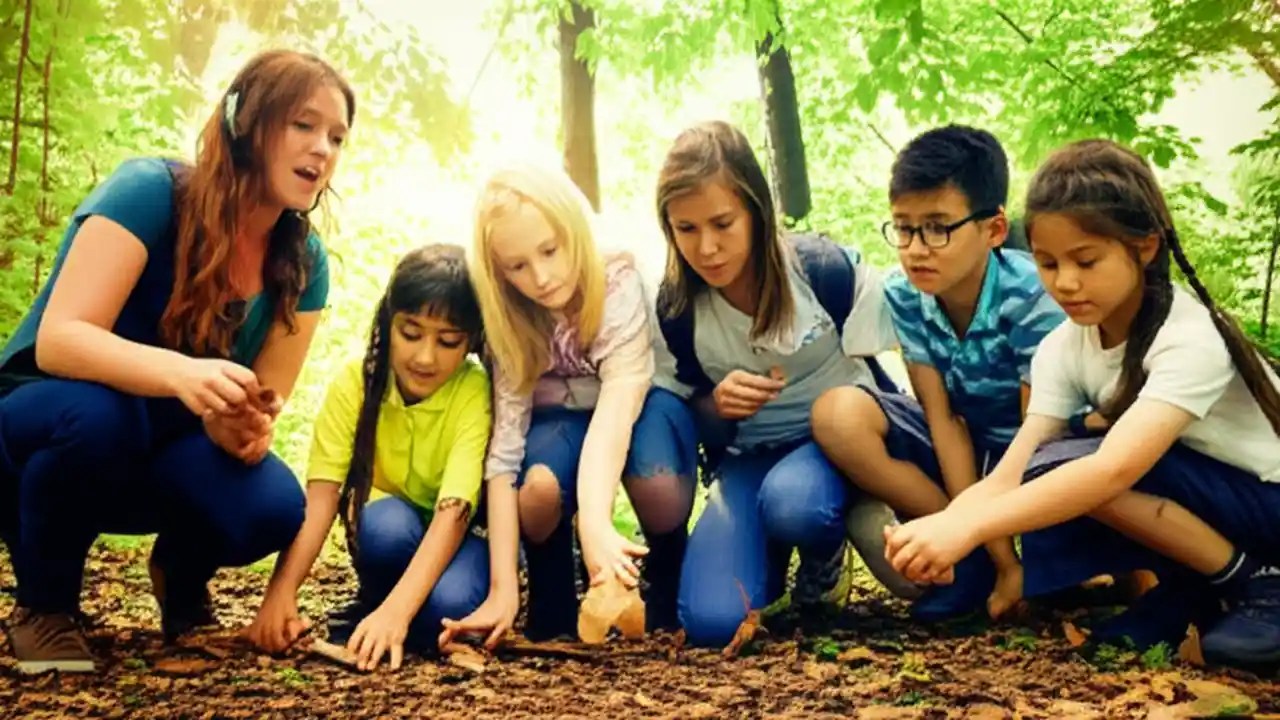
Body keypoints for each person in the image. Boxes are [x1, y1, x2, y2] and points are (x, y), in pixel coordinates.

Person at [0, 50, 353, 674]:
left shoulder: (303, 261)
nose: (322, 148)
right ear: (247, 121)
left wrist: (238, 426)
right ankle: (45, 604)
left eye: (336, 136)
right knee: (102, 418)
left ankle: (180, 575)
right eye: (303, 124)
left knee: (271, 503)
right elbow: (61, 339)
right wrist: (185, 375)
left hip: (162, 440)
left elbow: (261, 401)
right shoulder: (149, 192)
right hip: (44, 414)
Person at [884, 139, 1280, 667]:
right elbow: (1012, 471)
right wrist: (944, 525)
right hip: (1217, 502)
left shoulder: (1187, 338)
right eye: (1047, 263)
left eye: (1086, 261)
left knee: (1076, 465)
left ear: (1144, 247)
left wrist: (970, 527)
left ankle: (1257, 582)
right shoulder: (1065, 346)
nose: (1065, 283)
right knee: (1048, 465)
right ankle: (1200, 589)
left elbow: (1112, 471)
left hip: (1266, 502)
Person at [652, 121, 901, 648]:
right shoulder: (677, 308)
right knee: (712, 622)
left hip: (834, 442)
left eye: (723, 223)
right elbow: (690, 409)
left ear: (756, 211)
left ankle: (826, 551)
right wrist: (717, 404)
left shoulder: (821, 271)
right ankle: (763, 551)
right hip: (751, 455)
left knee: (796, 504)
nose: (708, 247)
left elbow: (898, 364)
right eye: (687, 229)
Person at [811, 125, 1065, 621]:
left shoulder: (1033, 295)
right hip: (966, 445)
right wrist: (988, 549)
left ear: (992, 229)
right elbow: (943, 421)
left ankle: (1038, 565)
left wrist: (1008, 550)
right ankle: (967, 560)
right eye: (903, 228)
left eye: (937, 228)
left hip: (1038, 448)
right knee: (837, 415)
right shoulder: (905, 294)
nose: (916, 248)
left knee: (1057, 464)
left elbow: (1035, 431)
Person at [456, 162, 696, 642]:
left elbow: (617, 407)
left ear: (575, 230)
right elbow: (503, 454)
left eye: (550, 249)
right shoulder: (507, 316)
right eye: (517, 266)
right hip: (558, 424)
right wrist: (504, 589)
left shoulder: (617, 282)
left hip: (639, 408)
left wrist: (595, 522)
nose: (542, 277)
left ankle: (666, 582)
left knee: (659, 481)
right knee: (537, 488)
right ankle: (551, 595)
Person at [245, 245, 491, 671]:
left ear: (470, 340)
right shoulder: (355, 385)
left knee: (446, 611)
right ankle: (381, 609)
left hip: (463, 539)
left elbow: (454, 512)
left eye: (447, 341)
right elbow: (321, 499)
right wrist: (280, 596)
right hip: (395, 529)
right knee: (384, 529)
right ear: (388, 322)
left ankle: (395, 615)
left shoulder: (473, 391)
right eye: (410, 333)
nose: (425, 357)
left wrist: (398, 613)